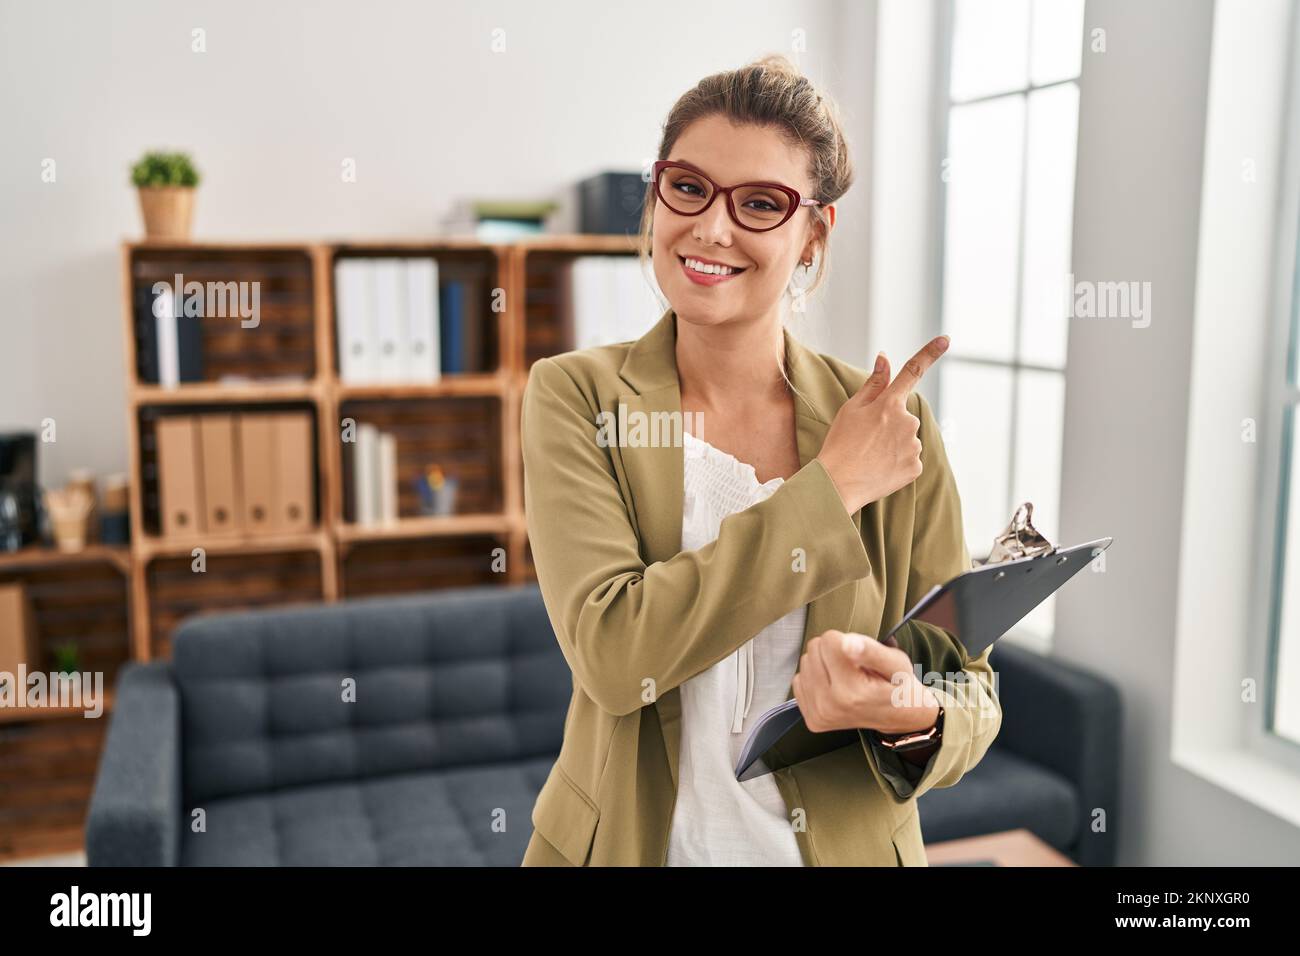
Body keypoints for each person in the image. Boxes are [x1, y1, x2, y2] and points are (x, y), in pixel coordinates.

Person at [520, 54, 1001, 866]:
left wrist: (909, 712)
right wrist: (831, 489)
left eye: (760, 204)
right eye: (687, 186)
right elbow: (614, 654)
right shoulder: (576, 397)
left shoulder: (890, 425)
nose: (711, 228)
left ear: (813, 232)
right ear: (656, 192)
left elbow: (969, 686)